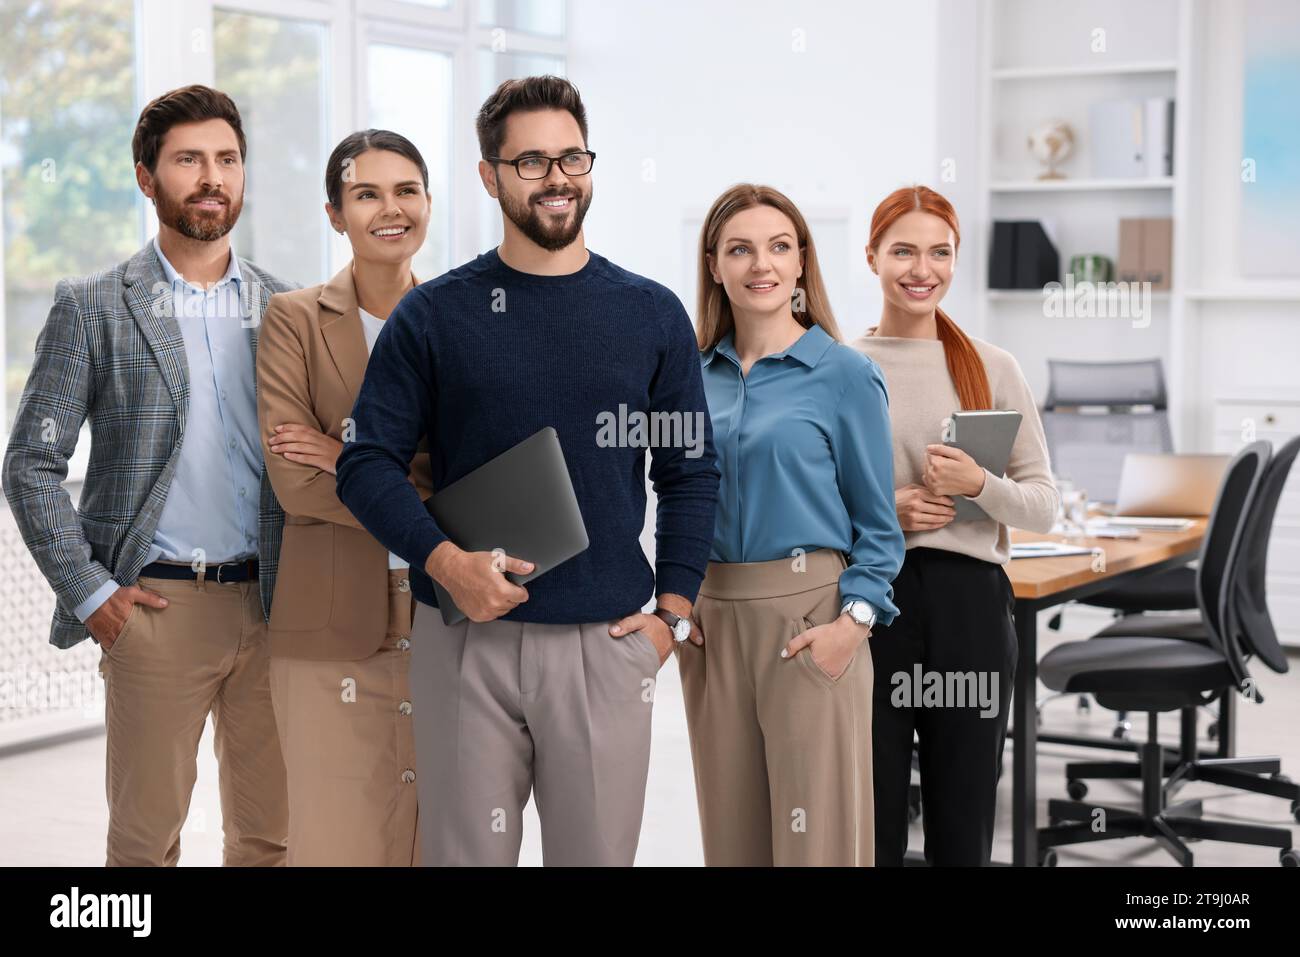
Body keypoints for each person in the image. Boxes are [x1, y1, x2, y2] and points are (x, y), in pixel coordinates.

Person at [334, 75, 720, 867]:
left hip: (607, 644)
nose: (557, 178)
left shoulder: (649, 313)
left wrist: (671, 618)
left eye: (572, 157)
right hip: (464, 639)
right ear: (489, 175)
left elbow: (690, 471)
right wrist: (444, 563)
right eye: (533, 160)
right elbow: (365, 462)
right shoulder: (435, 314)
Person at [1, 84, 295, 866]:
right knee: (143, 844)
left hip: (275, 609)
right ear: (146, 176)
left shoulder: (289, 309)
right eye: (189, 159)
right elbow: (30, 462)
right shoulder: (93, 307)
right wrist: (95, 596)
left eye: (228, 159)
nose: (212, 177)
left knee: (272, 838)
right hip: (158, 609)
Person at [686, 184, 904, 866]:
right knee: (732, 839)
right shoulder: (691, 378)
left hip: (812, 618)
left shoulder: (844, 375)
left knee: (819, 846)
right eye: (741, 248)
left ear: (802, 262)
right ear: (715, 264)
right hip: (712, 622)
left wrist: (853, 624)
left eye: (780, 247)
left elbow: (880, 525)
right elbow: (677, 501)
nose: (763, 264)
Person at [852, 185, 1059, 866]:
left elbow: (1042, 504)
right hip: (872, 603)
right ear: (872, 256)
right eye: (904, 250)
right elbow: (810, 504)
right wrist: (891, 510)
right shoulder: (841, 369)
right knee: (871, 810)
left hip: (970, 604)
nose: (922, 269)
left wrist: (979, 484)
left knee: (964, 810)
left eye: (940, 252)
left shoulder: (993, 367)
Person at [255, 130, 436, 866]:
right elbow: (293, 481)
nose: (388, 208)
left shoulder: (459, 319)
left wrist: (345, 456)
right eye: (366, 193)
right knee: (333, 842)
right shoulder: (293, 319)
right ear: (335, 213)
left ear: (428, 203)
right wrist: (407, 477)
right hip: (325, 621)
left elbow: (478, 481)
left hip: (443, 616)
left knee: (436, 838)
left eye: (406, 191)